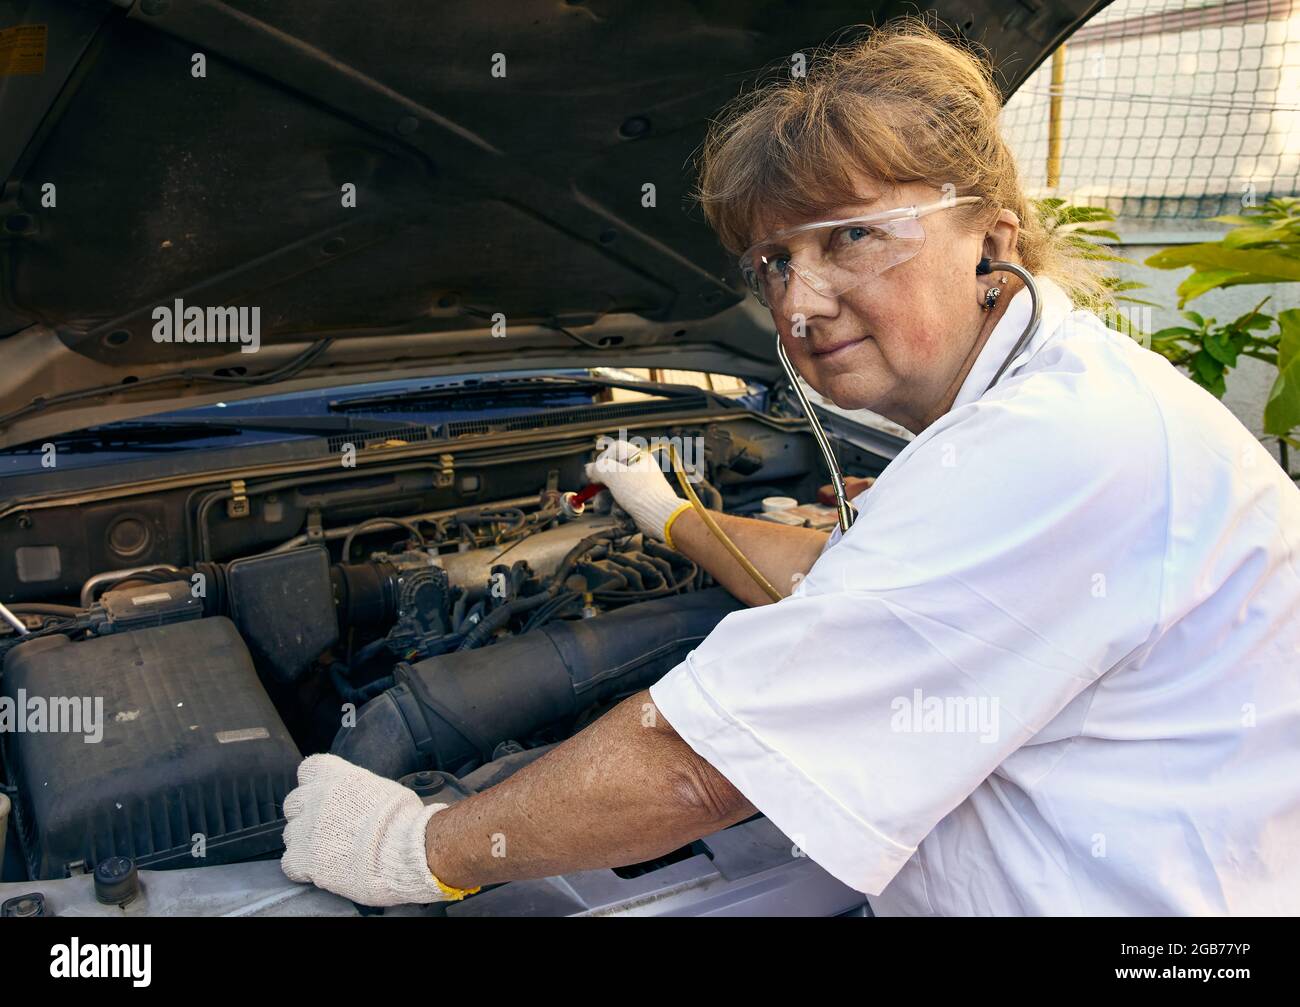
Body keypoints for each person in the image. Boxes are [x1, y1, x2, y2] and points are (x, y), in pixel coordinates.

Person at [280, 20, 1300, 915]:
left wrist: (413, 848)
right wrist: (669, 515)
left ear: (991, 237)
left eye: (851, 236)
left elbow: (696, 770)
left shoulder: (1059, 444)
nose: (799, 303)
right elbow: (844, 592)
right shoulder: (1041, 397)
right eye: (774, 260)